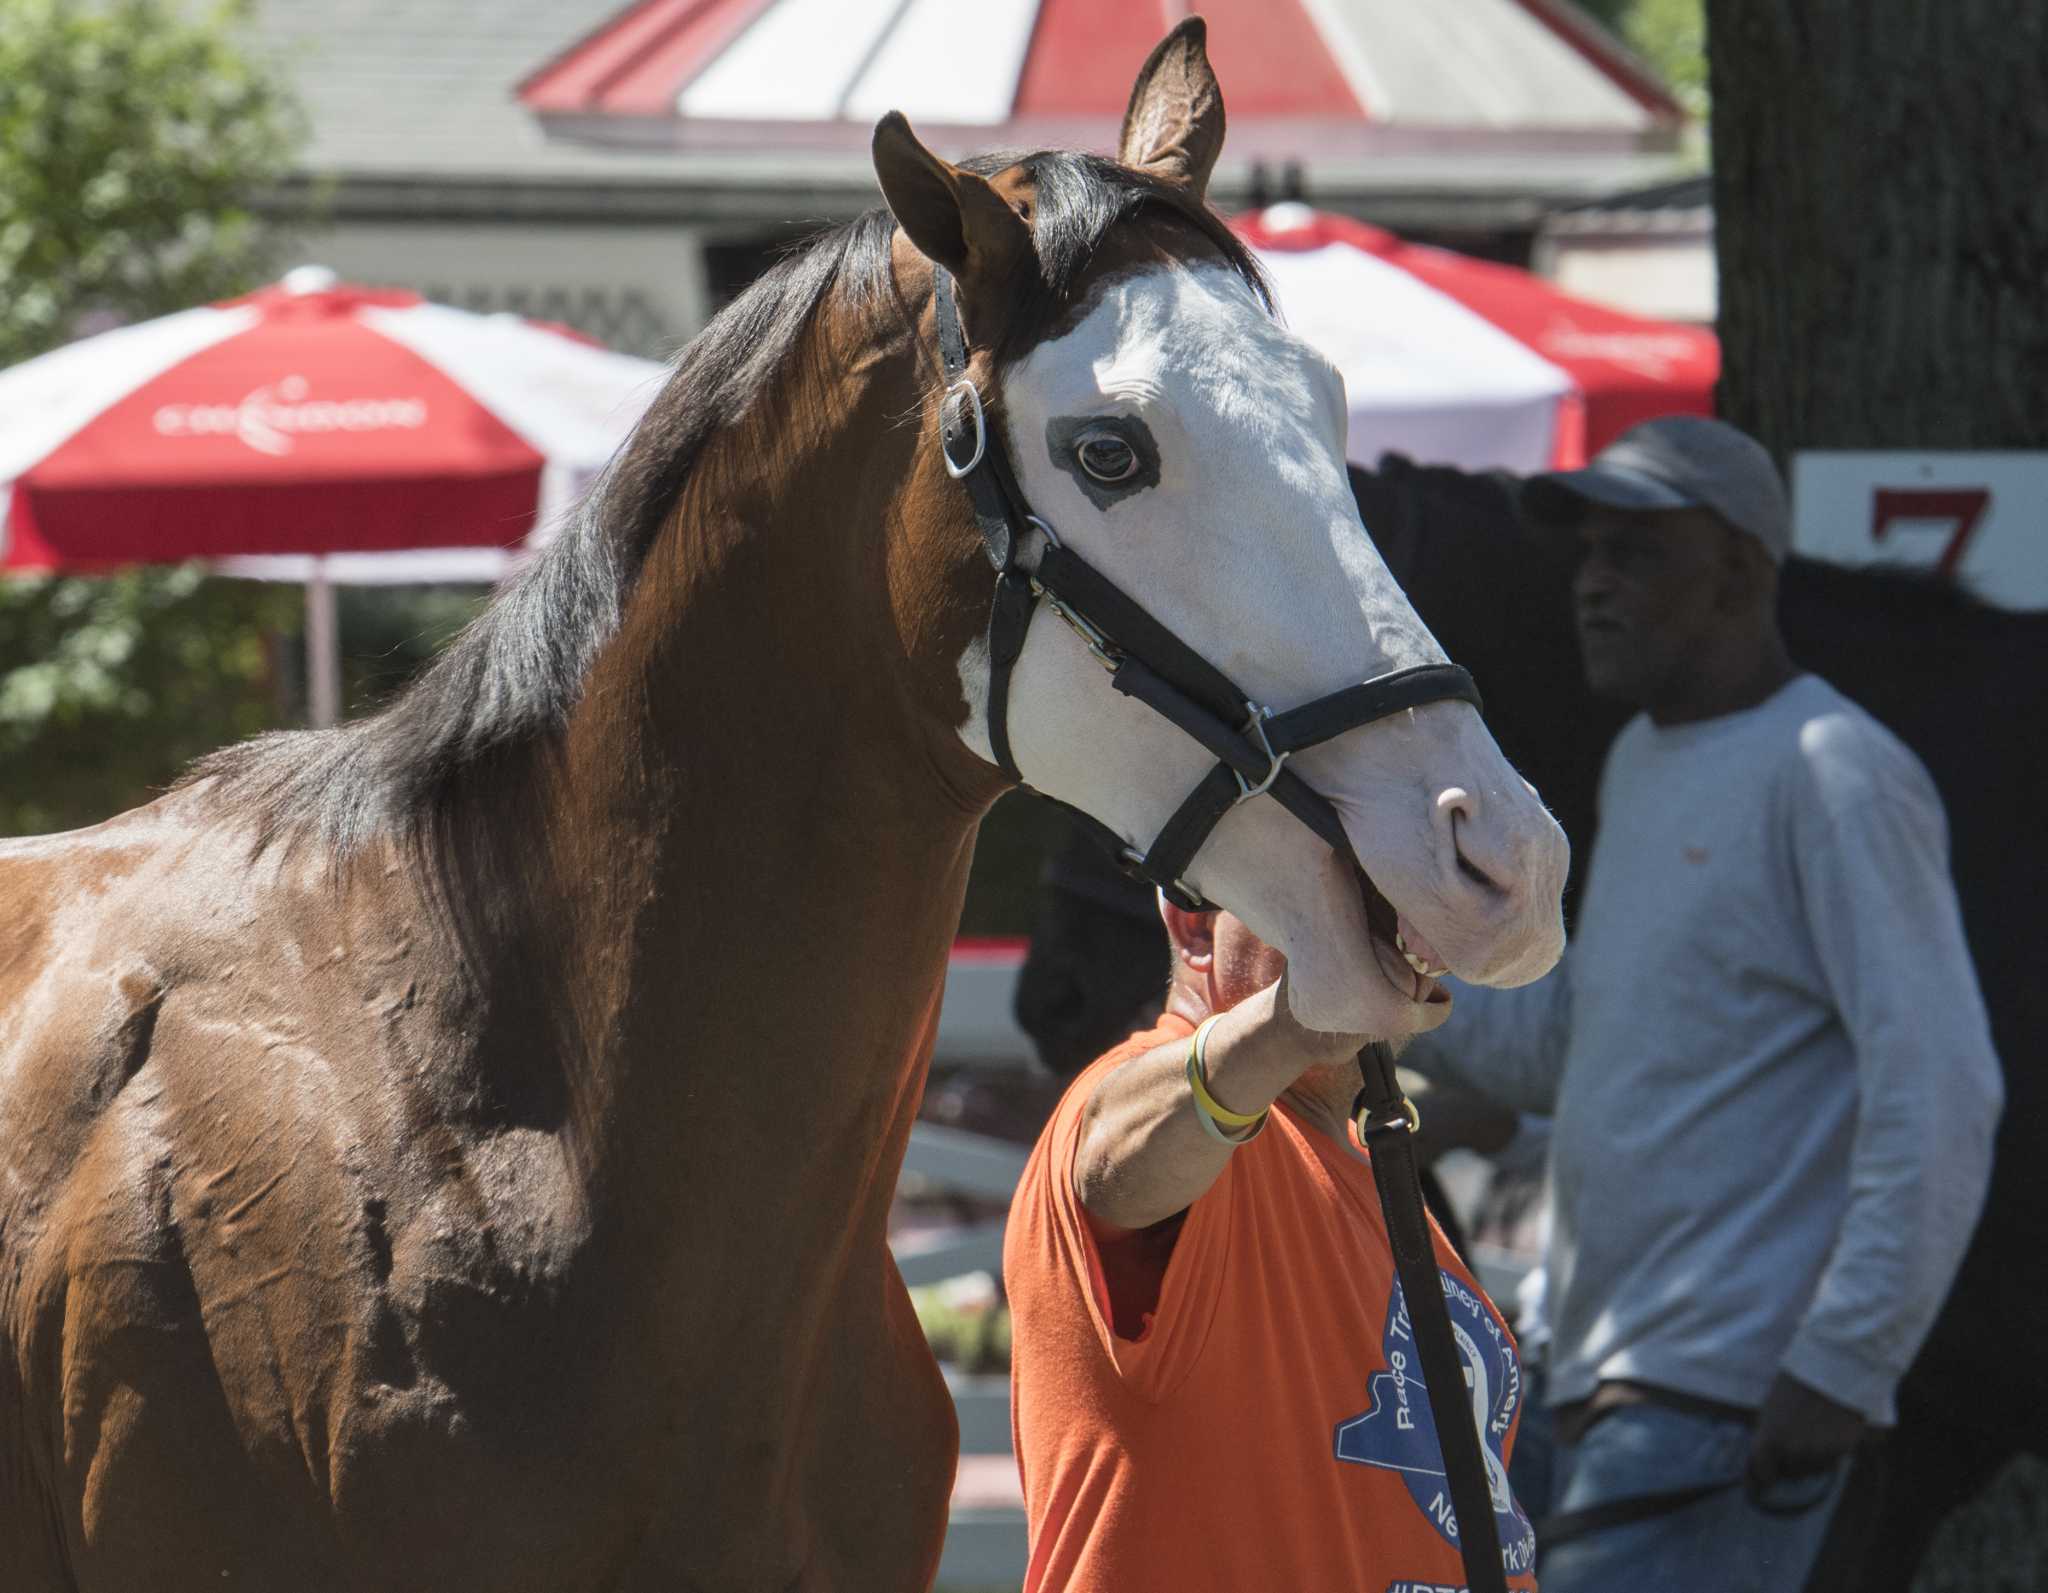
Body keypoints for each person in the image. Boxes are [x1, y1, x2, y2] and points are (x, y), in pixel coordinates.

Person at [1403, 415, 2004, 1593]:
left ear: (1737, 570)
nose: (1591, 585)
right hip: (1604, 1393)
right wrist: (1377, 955)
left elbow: (1939, 1085)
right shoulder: (1644, 760)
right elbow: (1566, 1048)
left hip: (1718, 1410)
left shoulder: (1833, 768)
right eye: (1584, 556)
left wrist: (1841, 1366)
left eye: (1633, 554)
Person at [1003, 896, 1540, 1592]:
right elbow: (1112, 1163)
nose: (1383, 916)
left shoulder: (1374, 1178)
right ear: (1195, 924)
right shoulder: (1143, 1102)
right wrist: (1287, 1024)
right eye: (1329, 884)